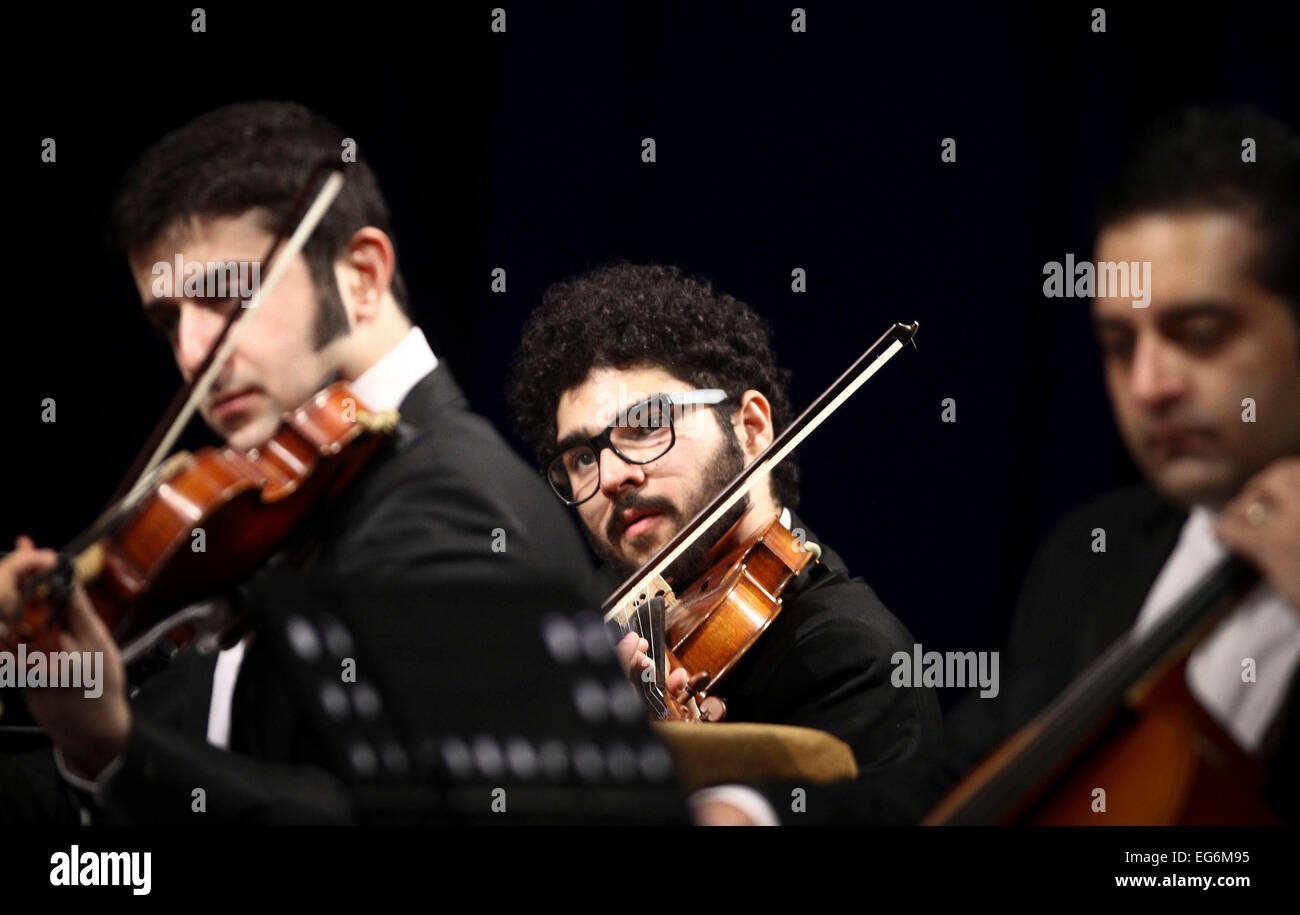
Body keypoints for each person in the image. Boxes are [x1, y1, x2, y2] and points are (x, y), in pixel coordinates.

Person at [0, 100, 600, 824]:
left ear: (362, 275)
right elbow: (211, 739)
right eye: (168, 320)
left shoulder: (452, 498)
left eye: (226, 296)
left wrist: (117, 747)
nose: (192, 354)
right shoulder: (278, 505)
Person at [699, 105, 1300, 825]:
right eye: (1118, 344)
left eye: (1198, 334)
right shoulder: (1092, 553)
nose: (1149, 384)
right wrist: (746, 812)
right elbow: (960, 785)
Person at [506, 262, 944, 779]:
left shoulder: (855, 665)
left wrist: (660, 772)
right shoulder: (585, 626)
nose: (610, 477)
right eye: (581, 456)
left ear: (752, 429)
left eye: (646, 425)